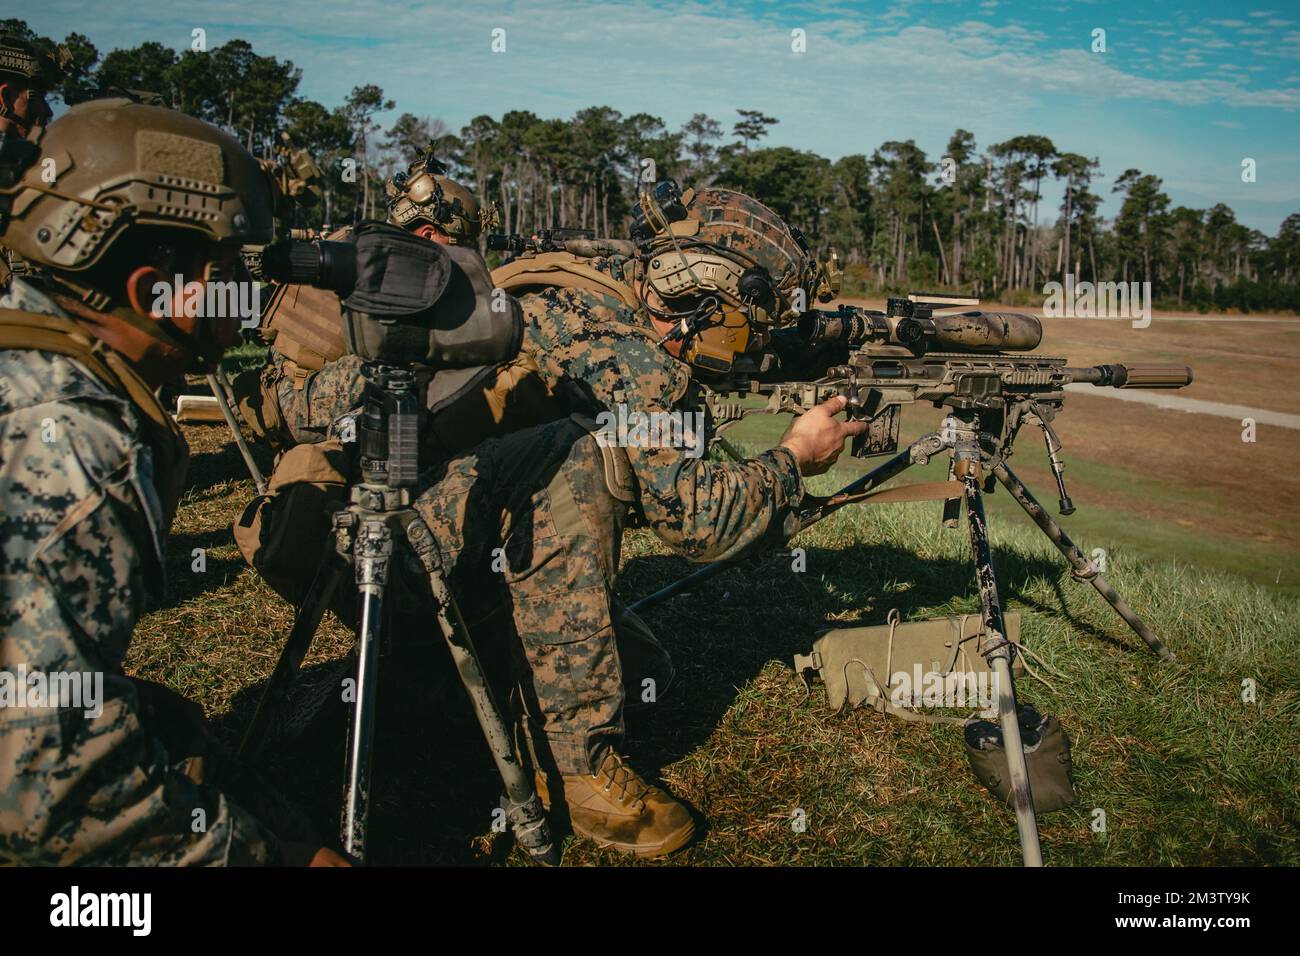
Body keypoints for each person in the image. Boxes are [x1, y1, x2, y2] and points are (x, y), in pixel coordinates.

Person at [409, 182, 863, 858]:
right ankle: (573, 770)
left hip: (416, 525)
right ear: (704, 302)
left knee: (642, 672)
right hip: (412, 563)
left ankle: (451, 680)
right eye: (753, 321)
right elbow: (699, 522)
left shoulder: (602, 289)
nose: (758, 338)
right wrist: (795, 458)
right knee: (585, 464)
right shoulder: (632, 358)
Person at [0, 97, 346, 865]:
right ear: (153, 290)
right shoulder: (78, 450)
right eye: (230, 273)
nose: (247, 297)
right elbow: (45, 800)